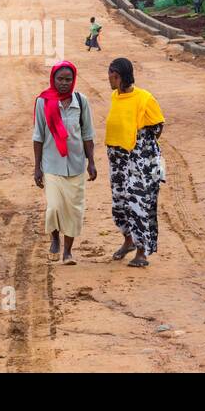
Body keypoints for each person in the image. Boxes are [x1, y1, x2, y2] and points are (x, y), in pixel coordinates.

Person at [32, 61, 96, 265]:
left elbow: (87, 133)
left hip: (76, 164)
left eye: (68, 79)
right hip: (51, 164)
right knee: (54, 207)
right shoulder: (43, 102)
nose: (64, 83)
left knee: (74, 210)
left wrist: (91, 162)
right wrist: (37, 167)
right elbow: (38, 135)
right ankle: (54, 239)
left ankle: (68, 252)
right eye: (60, 79)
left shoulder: (81, 101)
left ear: (74, 80)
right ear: (53, 79)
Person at [104, 58, 165, 268]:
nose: (109, 80)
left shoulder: (145, 98)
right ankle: (128, 241)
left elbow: (158, 127)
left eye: (111, 76)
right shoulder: (115, 96)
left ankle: (142, 252)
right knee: (119, 204)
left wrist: (141, 148)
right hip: (116, 160)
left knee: (139, 204)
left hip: (138, 161)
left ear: (118, 76)